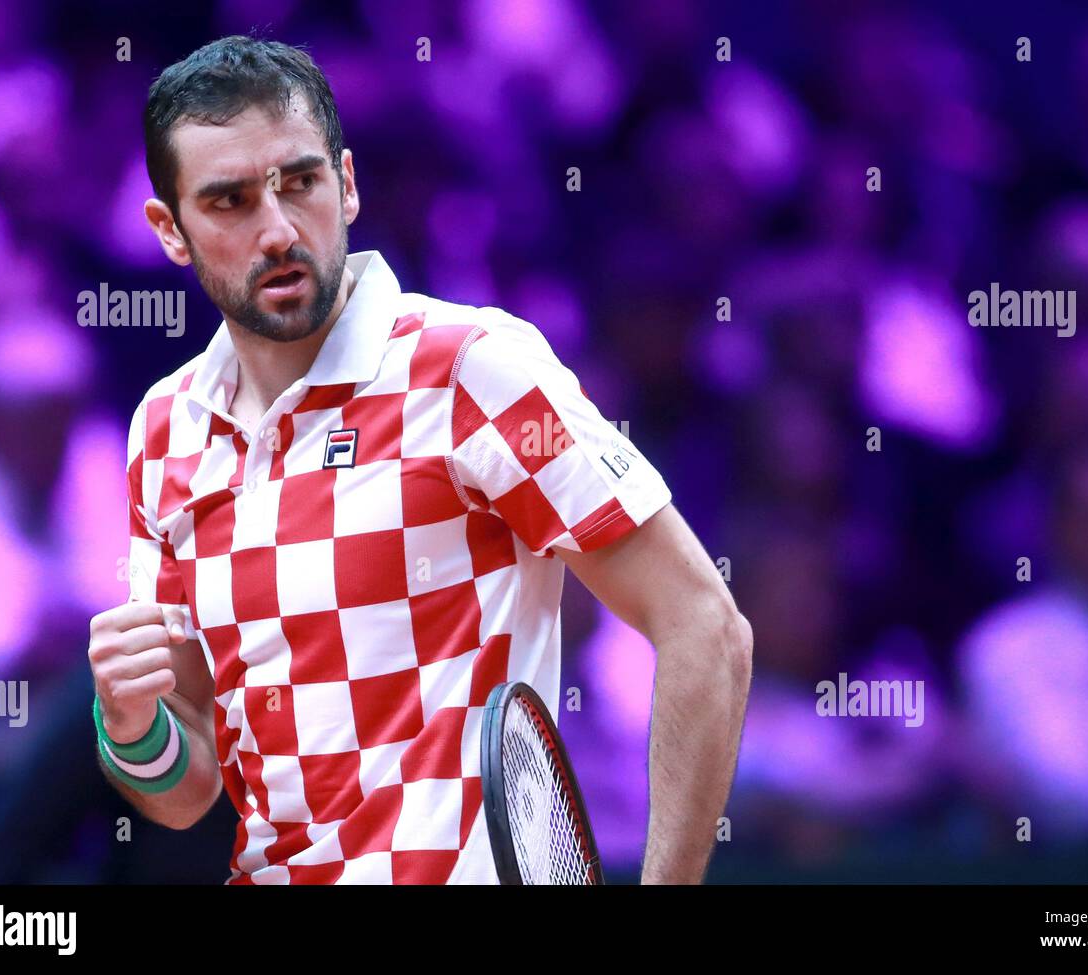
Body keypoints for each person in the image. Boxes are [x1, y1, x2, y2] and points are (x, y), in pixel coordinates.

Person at [86, 35, 752, 885]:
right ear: (170, 230)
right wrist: (130, 723)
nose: (278, 229)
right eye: (230, 201)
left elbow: (705, 625)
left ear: (347, 183)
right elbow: (189, 792)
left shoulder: (471, 371)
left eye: (300, 182)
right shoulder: (164, 430)